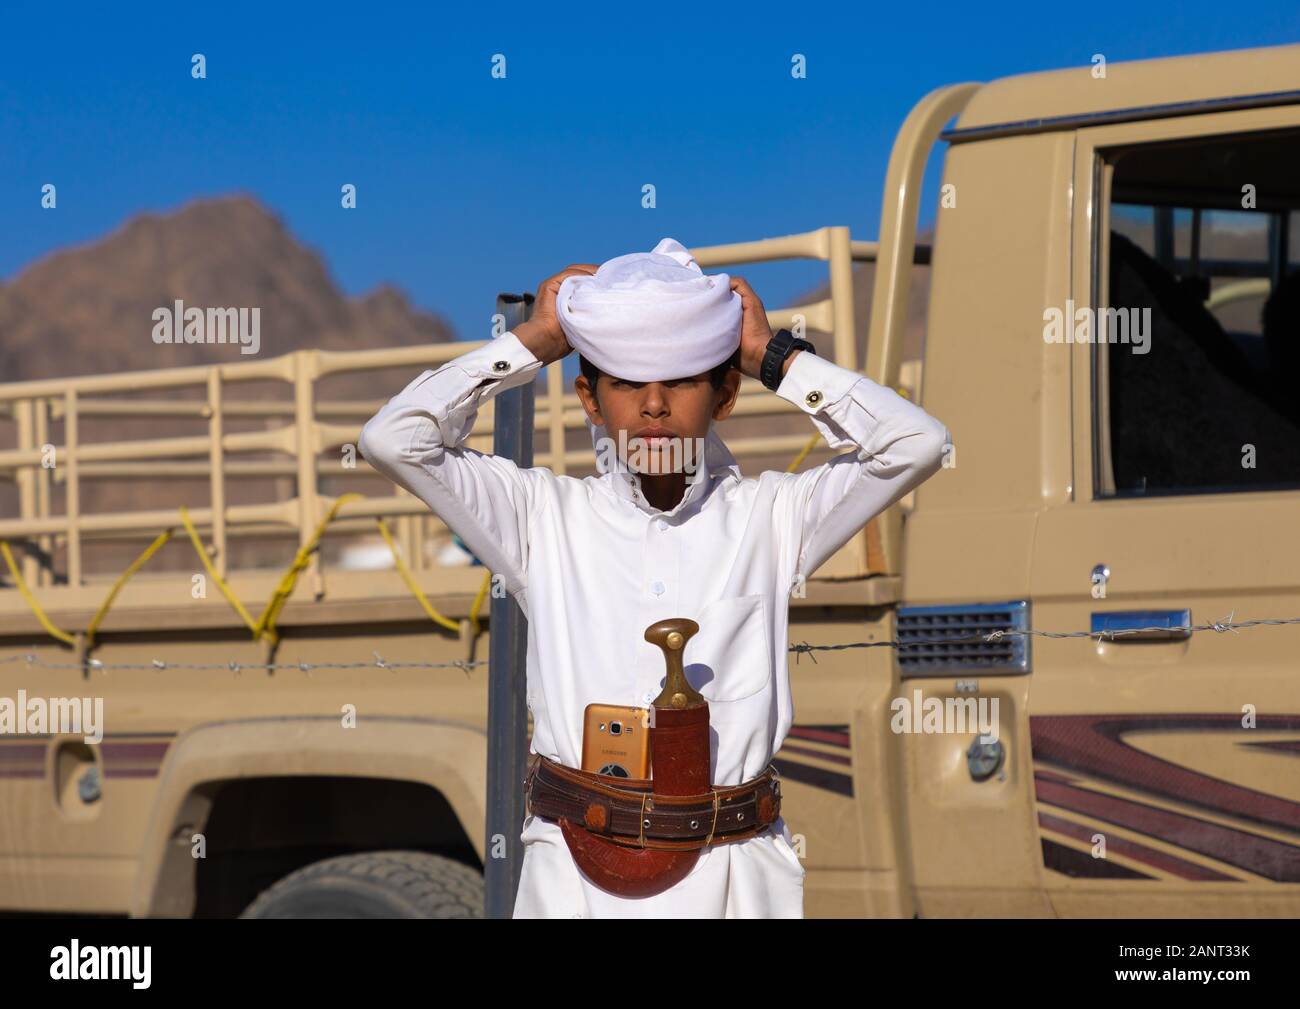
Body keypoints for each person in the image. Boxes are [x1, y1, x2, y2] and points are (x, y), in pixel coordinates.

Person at [358, 238, 951, 917]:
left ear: (724, 393)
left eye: (682, 381)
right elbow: (393, 439)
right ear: (589, 396)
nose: (654, 406)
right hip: (575, 884)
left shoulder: (773, 518)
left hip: (735, 881)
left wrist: (774, 358)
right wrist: (533, 343)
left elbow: (918, 443)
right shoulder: (539, 518)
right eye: (627, 382)